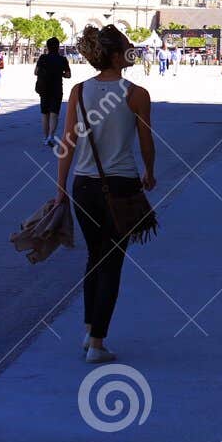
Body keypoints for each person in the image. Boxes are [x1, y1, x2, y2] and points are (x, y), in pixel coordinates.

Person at [56, 24, 156, 365]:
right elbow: (146, 142)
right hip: (121, 186)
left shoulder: (79, 92)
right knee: (112, 262)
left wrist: (60, 188)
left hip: (83, 186)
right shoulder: (136, 93)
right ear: (115, 55)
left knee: (94, 257)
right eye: (127, 47)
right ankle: (98, 342)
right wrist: (150, 173)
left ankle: (89, 329)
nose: (131, 50)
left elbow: (66, 143)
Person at [34, 36, 73, 147]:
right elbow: (68, 75)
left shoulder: (42, 58)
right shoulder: (62, 59)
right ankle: (51, 136)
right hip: (57, 89)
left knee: (45, 114)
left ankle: (46, 137)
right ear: (58, 47)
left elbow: (36, 72)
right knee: (54, 114)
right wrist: (60, 73)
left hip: (44, 88)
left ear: (47, 47)